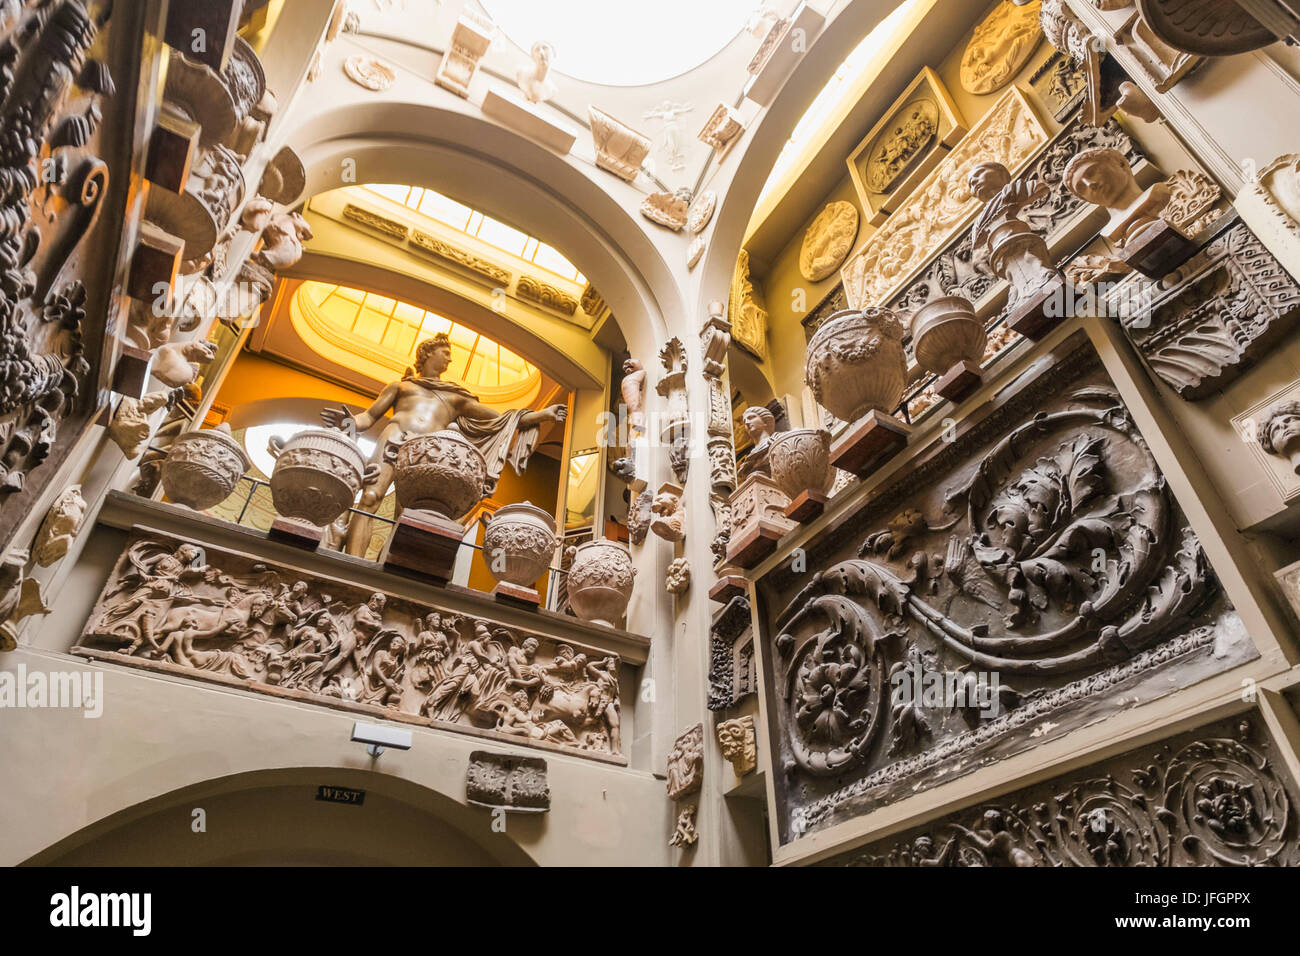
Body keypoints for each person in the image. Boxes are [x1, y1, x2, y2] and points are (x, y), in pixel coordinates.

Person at [321, 333, 567, 556]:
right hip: (394, 437)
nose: (449, 360)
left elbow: (502, 418)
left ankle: (388, 571)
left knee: (408, 516)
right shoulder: (401, 386)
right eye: (446, 353)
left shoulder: (455, 396)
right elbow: (368, 417)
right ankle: (352, 563)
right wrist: (350, 422)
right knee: (371, 497)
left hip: (428, 453)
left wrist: (543, 415)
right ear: (428, 353)